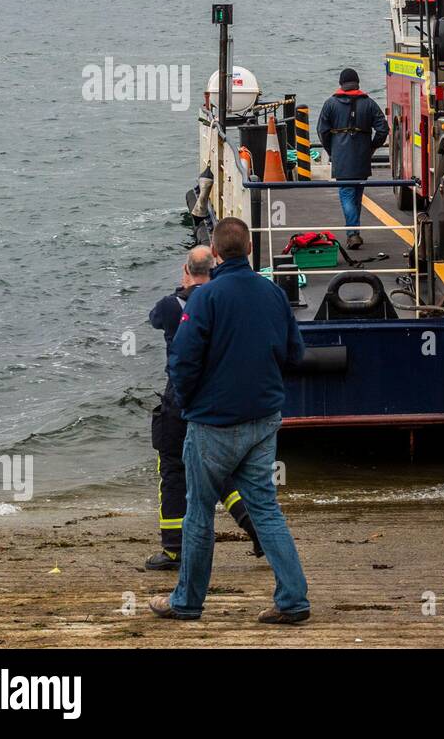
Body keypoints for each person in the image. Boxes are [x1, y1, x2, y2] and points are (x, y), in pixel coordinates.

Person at [150, 217, 310, 624]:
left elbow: (183, 361)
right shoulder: (273, 293)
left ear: (216, 254)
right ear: (252, 249)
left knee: (199, 512)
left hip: (212, 422)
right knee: (267, 509)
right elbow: (296, 353)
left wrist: (188, 404)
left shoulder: (205, 298)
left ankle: (187, 601)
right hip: (263, 418)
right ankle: (292, 599)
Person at [146, 246, 261, 570]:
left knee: (171, 471)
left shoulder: (173, 305)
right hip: (215, 400)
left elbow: (155, 318)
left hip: (179, 399)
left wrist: (182, 288)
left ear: (186, 270)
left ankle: (173, 548)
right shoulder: (221, 302)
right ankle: (257, 528)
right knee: (217, 470)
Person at [316, 68, 387, 251]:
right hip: (362, 155)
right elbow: (383, 128)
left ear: (341, 83)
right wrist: (372, 146)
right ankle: (354, 230)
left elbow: (322, 131)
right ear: (357, 83)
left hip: (341, 156)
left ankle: (352, 233)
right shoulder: (369, 104)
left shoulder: (330, 103)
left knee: (347, 194)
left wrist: (331, 149)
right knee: (356, 195)